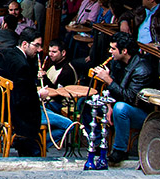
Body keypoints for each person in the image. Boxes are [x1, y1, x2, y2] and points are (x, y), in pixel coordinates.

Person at [0, 28, 73, 156]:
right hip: (21, 114)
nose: (39, 50)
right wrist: (39, 94)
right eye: (36, 45)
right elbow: (23, 99)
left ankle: (34, 144)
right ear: (25, 44)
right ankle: (37, 145)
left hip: (5, 110)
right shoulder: (22, 66)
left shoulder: (5, 54)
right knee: (69, 125)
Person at [92, 32, 153, 165]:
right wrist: (108, 106)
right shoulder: (117, 63)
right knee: (90, 103)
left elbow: (130, 98)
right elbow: (112, 90)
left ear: (124, 51)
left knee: (120, 108)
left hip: (142, 113)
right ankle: (97, 143)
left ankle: (120, 150)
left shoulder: (142, 69)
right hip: (120, 104)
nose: (110, 51)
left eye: (113, 49)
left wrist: (108, 80)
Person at [39, 38, 78, 114]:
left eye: (54, 52)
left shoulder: (66, 71)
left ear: (63, 53)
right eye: (49, 51)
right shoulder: (54, 64)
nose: (50, 54)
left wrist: (44, 78)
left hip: (61, 104)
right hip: (50, 98)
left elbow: (58, 95)